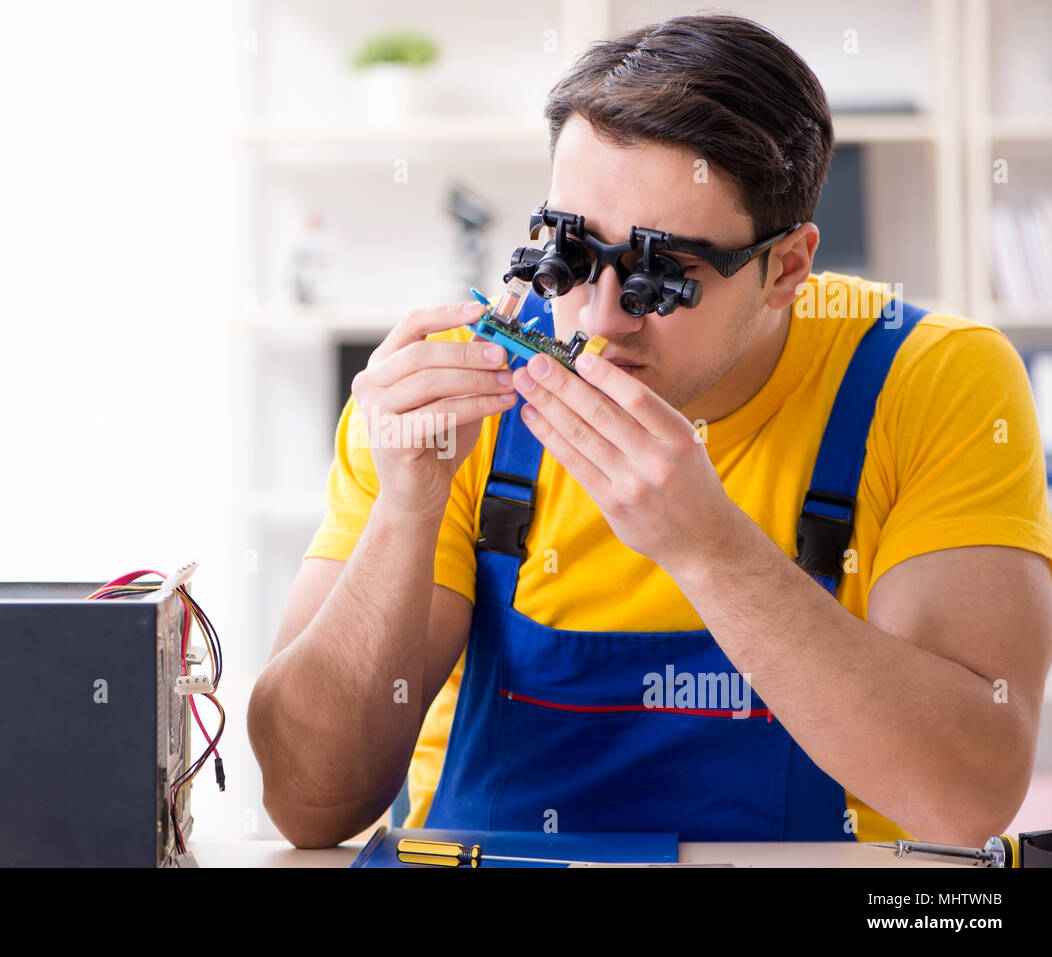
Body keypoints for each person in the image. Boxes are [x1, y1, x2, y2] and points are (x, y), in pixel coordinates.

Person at [247, 13, 1052, 849]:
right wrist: (405, 512)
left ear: (787, 267)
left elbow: (969, 797)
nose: (597, 317)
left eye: (661, 279)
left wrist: (711, 549)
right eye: (571, 251)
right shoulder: (445, 389)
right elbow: (309, 803)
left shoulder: (930, 380)